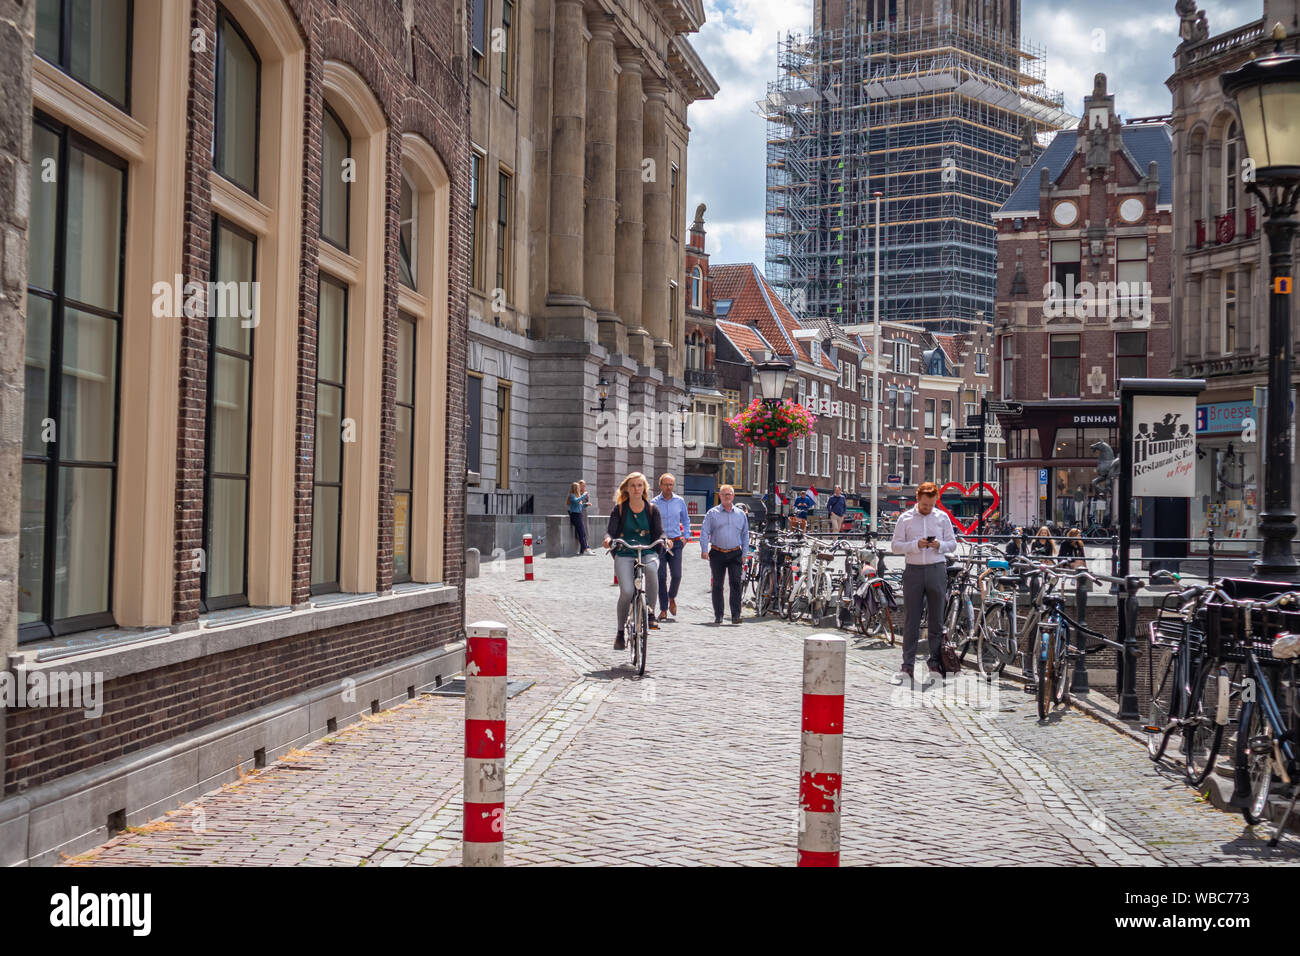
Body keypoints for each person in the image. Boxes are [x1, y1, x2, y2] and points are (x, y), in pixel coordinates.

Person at [890, 481, 958, 687]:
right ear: (918, 499)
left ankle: (935, 664)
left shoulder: (942, 517)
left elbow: (953, 543)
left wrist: (939, 545)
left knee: (936, 620)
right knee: (911, 619)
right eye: (925, 505)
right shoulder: (905, 518)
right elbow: (895, 546)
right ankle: (907, 666)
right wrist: (915, 545)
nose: (928, 508)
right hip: (914, 571)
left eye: (931, 505)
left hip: (937, 569)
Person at [603, 472, 666, 650]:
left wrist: (664, 539)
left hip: (647, 549)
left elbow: (659, 532)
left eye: (640, 485)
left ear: (644, 488)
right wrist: (608, 540)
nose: (636, 489)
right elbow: (611, 532)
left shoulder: (652, 510)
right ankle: (620, 632)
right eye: (633, 485)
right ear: (627, 488)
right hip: (624, 552)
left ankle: (650, 613)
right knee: (627, 591)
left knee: (653, 570)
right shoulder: (620, 509)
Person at [699, 484, 750, 625]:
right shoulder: (712, 513)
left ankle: (735, 615)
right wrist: (704, 549)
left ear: (733, 496)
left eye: (729, 494)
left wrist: (744, 553)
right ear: (719, 496)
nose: (727, 497)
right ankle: (719, 615)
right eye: (724, 494)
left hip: (735, 553)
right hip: (717, 552)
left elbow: (745, 534)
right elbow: (704, 532)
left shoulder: (740, 514)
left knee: (735, 583)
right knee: (717, 584)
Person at [651, 473, 689, 621]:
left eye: (671, 485)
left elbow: (686, 520)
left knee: (677, 575)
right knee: (661, 577)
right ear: (660, 485)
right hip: (660, 544)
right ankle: (663, 609)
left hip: (676, 542)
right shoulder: (654, 503)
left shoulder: (679, 501)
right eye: (666, 484)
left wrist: (686, 537)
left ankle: (671, 596)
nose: (668, 487)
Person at [1058, 526, 1090, 622]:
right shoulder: (1065, 543)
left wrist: (1085, 566)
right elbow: (1061, 556)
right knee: (1078, 563)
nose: (1080, 536)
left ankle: (1077, 578)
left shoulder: (1080, 544)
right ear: (1073, 535)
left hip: (1077, 564)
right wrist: (1072, 561)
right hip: (1067, 562)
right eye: (1078, 535)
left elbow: (1083, 557)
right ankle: (1077, 579)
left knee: (1080, 563)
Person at [567, 481, 591, 555]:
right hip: (575, 515)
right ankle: (585, 549)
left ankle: (585, 548)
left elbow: (579, 506)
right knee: (581, 533)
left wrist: (585, 504)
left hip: (578, 515)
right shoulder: (572, 495)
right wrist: (583, 495)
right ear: (575, 488)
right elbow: (576, 501)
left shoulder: (576, 496)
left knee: (583, 533)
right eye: (578, 487)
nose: (579, 489)